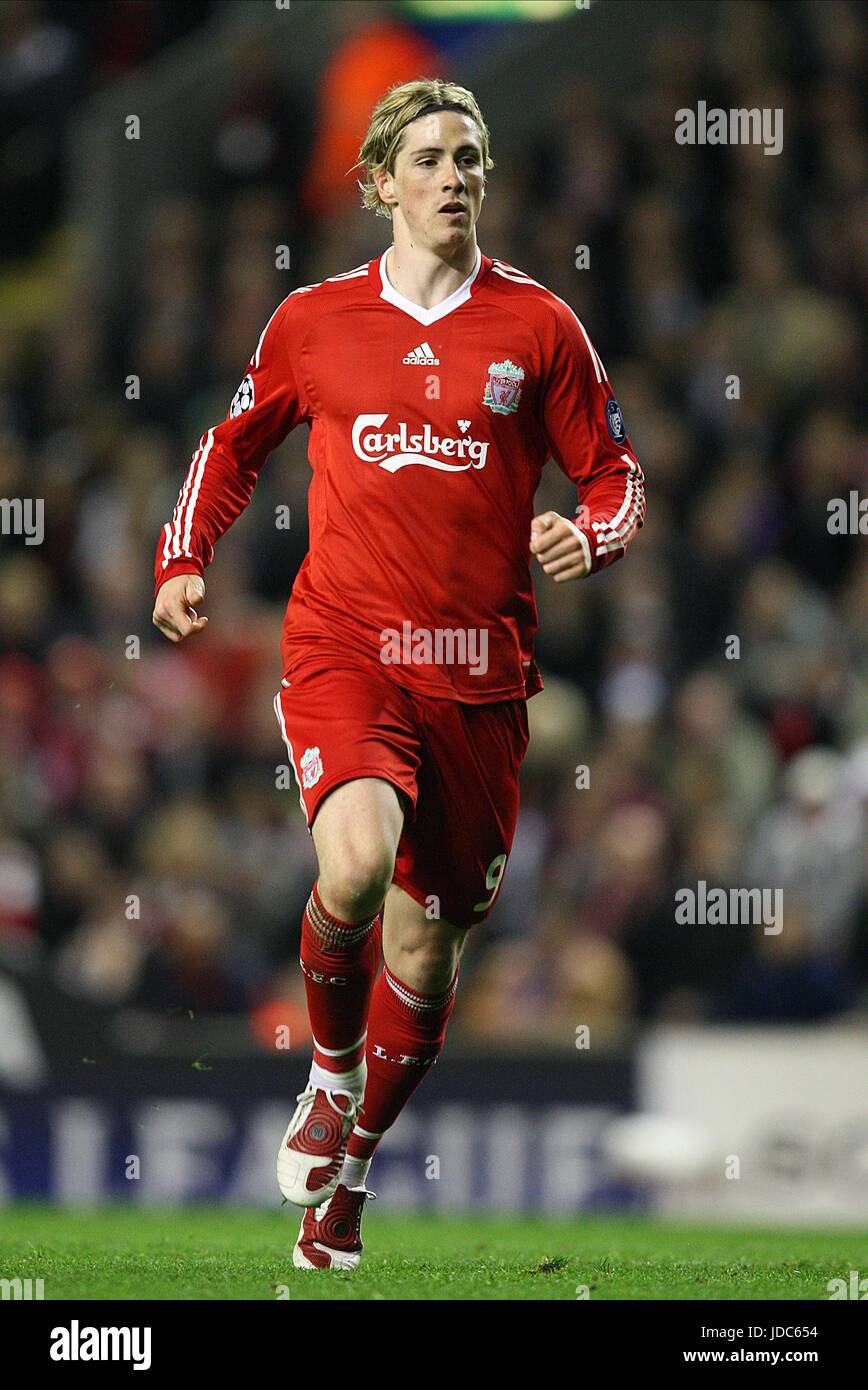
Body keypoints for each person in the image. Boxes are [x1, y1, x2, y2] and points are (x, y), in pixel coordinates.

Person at [152, 78, 645, 1270]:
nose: (453, 176)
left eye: (469, 157)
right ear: (381, 183)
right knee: (356, 864)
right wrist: (182, 556)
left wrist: (595, 533)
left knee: (426, 954)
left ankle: (354, 1171)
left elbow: (617, 474)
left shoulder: (540, 327)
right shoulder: (315, 319)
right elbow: (232, 444)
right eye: (428, 158)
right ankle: (328, 1074)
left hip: (479, 675)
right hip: (347, 646)